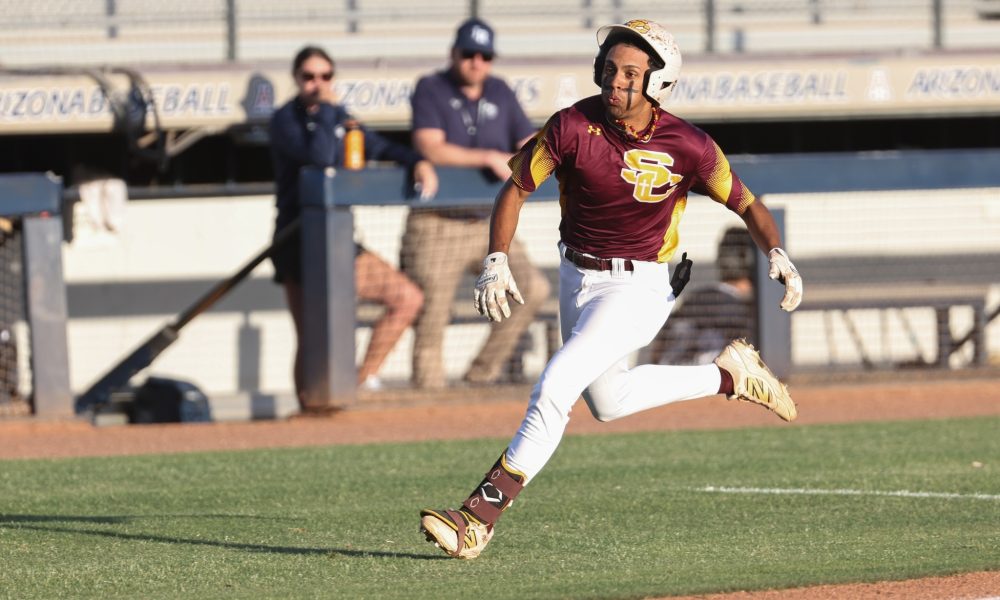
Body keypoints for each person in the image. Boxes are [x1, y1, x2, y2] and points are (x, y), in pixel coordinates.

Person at [419, 19, 804, 559]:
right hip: (577, 275)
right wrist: (497, 256)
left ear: (660, 82)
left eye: (631, 72)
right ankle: (728, 376)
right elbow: (516, 188)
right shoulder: (571, 124)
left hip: (642, 283)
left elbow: (745, 201)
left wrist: (777, 252)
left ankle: (479, 517)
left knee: (556, 384)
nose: (615, 82)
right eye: (609, 69)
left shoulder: (691, 144)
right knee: (607, 400)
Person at [269, 45, 438, 407]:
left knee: (407, 298)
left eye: (325, 76)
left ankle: (355, 387)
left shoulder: (341, 117)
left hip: (338, 241)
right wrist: (328, 110)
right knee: (312, 336)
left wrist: (418, 161)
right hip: (298, 243)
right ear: (297, 79)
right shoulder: (285, 120)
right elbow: (318, 158)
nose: (318, 84)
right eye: (309, 77)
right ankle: (310, 410)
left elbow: (378, 145)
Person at [402, 17, 551, 389]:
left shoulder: (499, 90)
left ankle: (478, 378)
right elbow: (430, 146)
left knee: (532, 288)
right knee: (432, 313)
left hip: (488, 222)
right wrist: (487, 157)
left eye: (484, 55)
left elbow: (526, 139)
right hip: (437, 223)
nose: (476, 62)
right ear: (455, 54)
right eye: (469, 53)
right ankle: (428, 403)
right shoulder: (432, 87)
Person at [647, 227, 757, 365]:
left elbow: (657, 353)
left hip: (664, 378)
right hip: (708, 382)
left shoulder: (692, 302)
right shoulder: (746, 311)